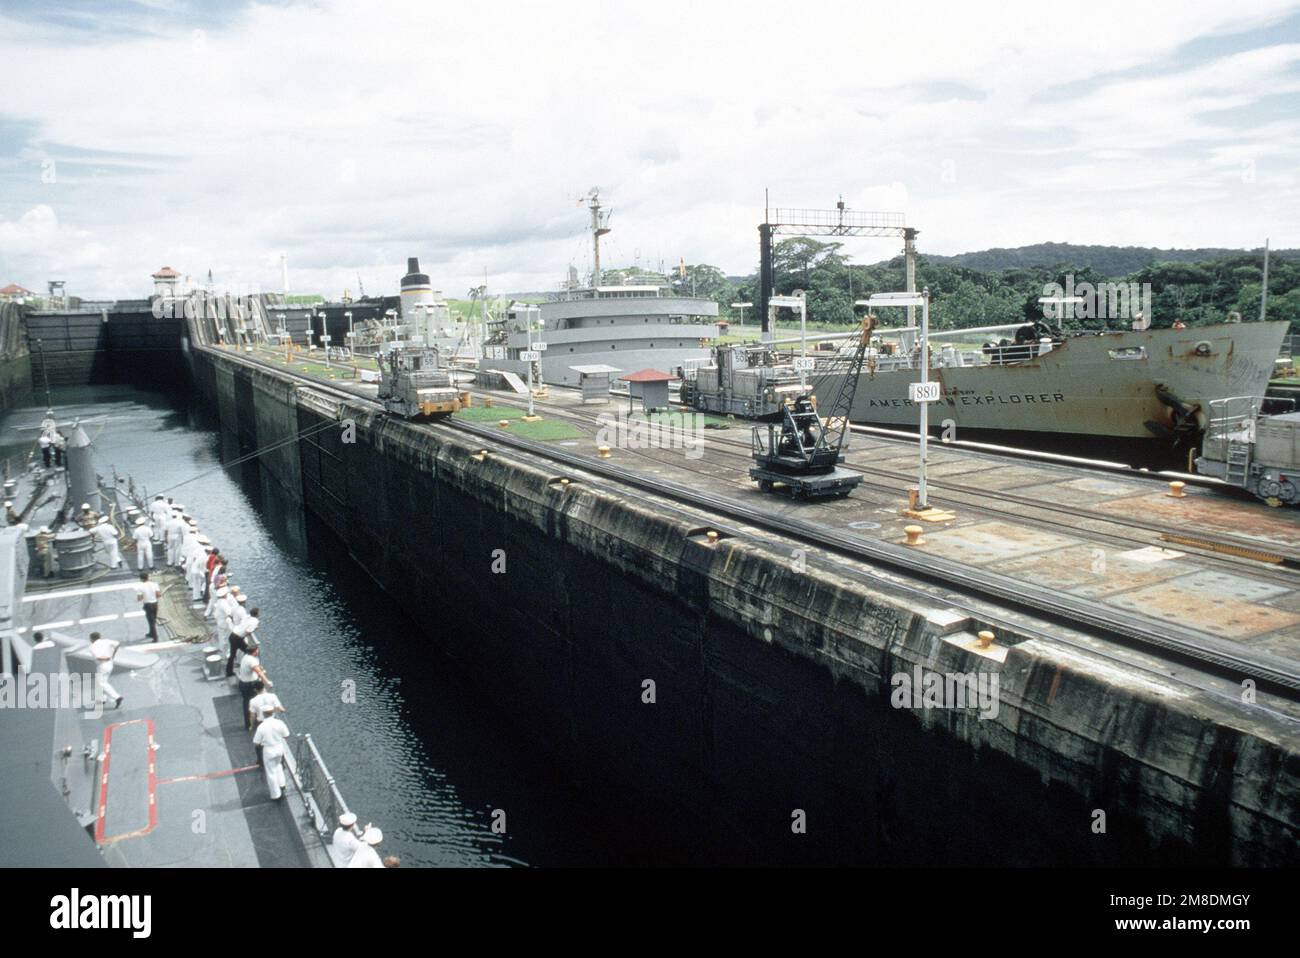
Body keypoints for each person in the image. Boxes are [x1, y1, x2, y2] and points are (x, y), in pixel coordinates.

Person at [251, 707, 290, 801]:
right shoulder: (280, 723)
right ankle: (282, 784)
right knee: (278, 765)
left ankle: (276, 795)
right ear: (272, 713)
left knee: (271, 772)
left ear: (264, 714)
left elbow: (256, 742)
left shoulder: (262, 726)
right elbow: (286, 735)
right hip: (279, 748)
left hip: (269, 750)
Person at [236, 640, 270, 727]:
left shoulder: (246, 657)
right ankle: (260, 722)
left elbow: (255, 668)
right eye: (257, 650)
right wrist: (268, 682)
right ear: (254, 652)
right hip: (249, 685)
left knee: (246, 703)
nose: (258, 651)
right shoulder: (252, 661)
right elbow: (259, 673)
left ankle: (248, 724)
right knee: (257, 702)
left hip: (242, 683)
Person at [89, 632, 123, 710]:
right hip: (110, 664)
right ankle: (102, 699)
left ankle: (117, 697)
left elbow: (98, 657)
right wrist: (112, 655)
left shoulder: (92, 647)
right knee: (103, 682)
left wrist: (105, 658)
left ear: (91, 639)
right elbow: (117, 644)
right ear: (100, 636)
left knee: (101, 683)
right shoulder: (106, 641)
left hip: (102, 665)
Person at [136, 572, 161, 642]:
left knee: (151, 621)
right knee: (153, 620)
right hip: (155, 604)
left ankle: (155, 637)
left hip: (148, 605)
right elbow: (158, 595)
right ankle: (151, 633)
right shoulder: (155, 584)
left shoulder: (140, 587)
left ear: (141, 579)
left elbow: (139, 598)